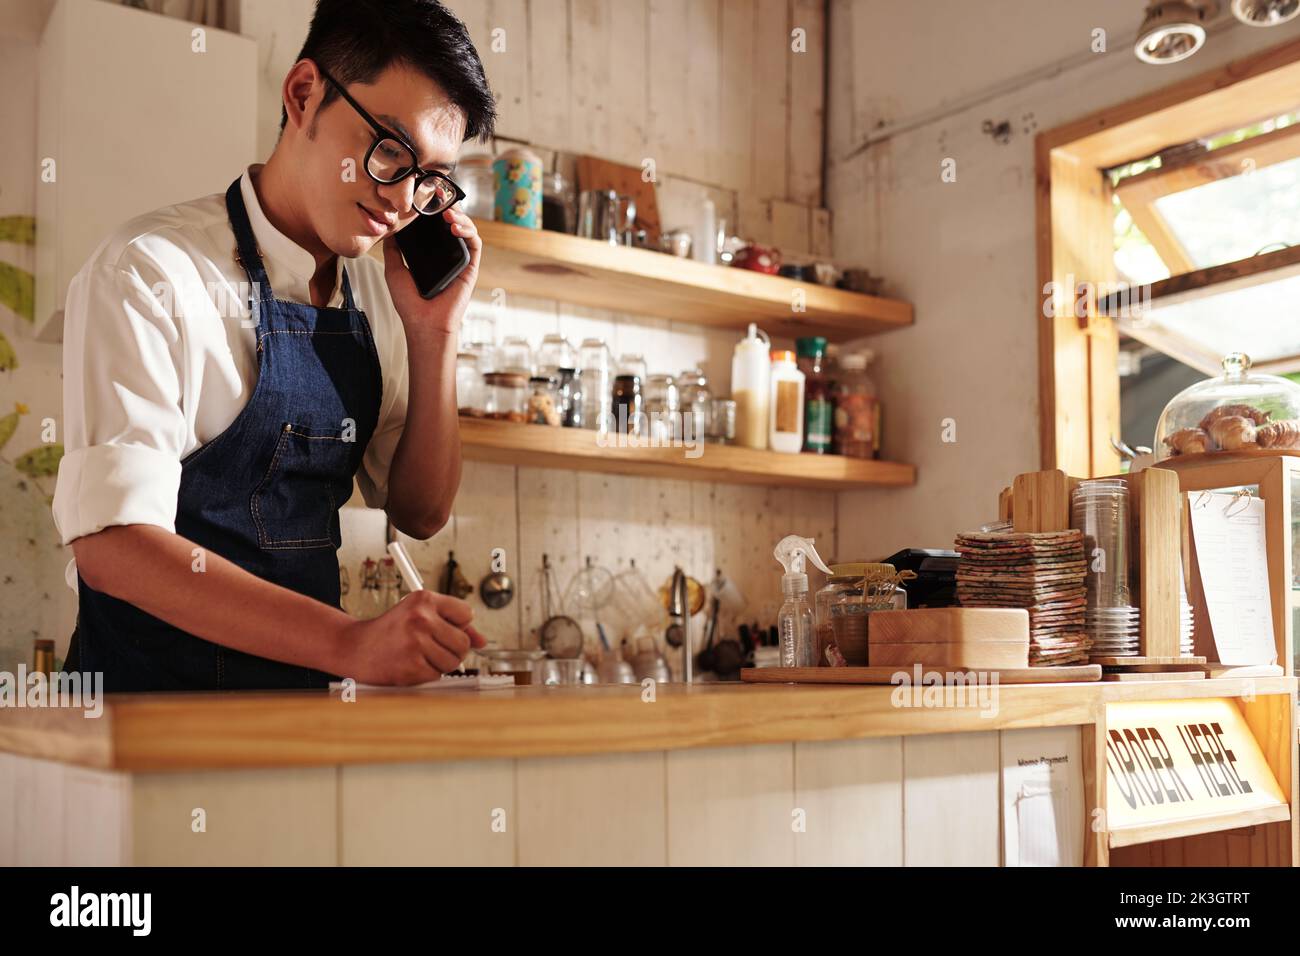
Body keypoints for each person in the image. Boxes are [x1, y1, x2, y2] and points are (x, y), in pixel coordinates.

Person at [52, 0, 496, 691]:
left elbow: (421, 511)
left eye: (431, 178)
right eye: (389, 150)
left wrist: (435, 335)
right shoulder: (150, 270)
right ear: (303, 95)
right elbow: (112, 544)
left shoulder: (378, 296)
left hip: (299, 722)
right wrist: (349, 642)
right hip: (142, 727)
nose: (404, 198)